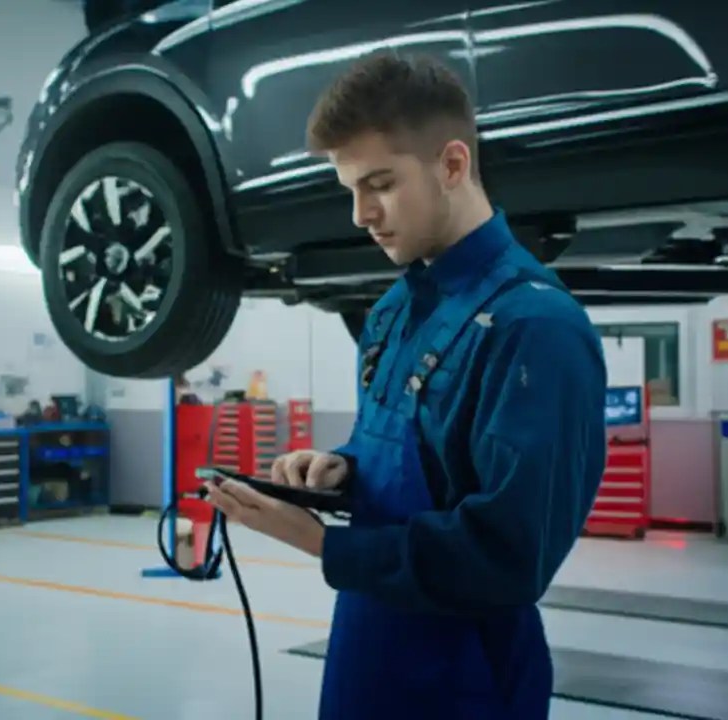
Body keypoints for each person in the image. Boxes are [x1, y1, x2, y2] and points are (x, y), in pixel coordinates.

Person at [201, 51, 608, 719]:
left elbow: (509, 558)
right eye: (349, 189)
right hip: (367, 659)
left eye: (380, 183)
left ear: (452, 164)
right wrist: (343, 471)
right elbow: (417, 462)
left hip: (465, 683)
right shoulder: (393, 311)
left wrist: (321, 543)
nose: (361, 213)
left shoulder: (534, 328)